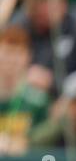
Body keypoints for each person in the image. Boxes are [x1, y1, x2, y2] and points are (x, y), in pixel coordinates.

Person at [0, 23, 47, 153]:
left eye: (18, 53)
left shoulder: (38, 100)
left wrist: (26, 142)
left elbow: (46, 138)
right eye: (7, 52)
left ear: (28, 57)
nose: (12, 60)